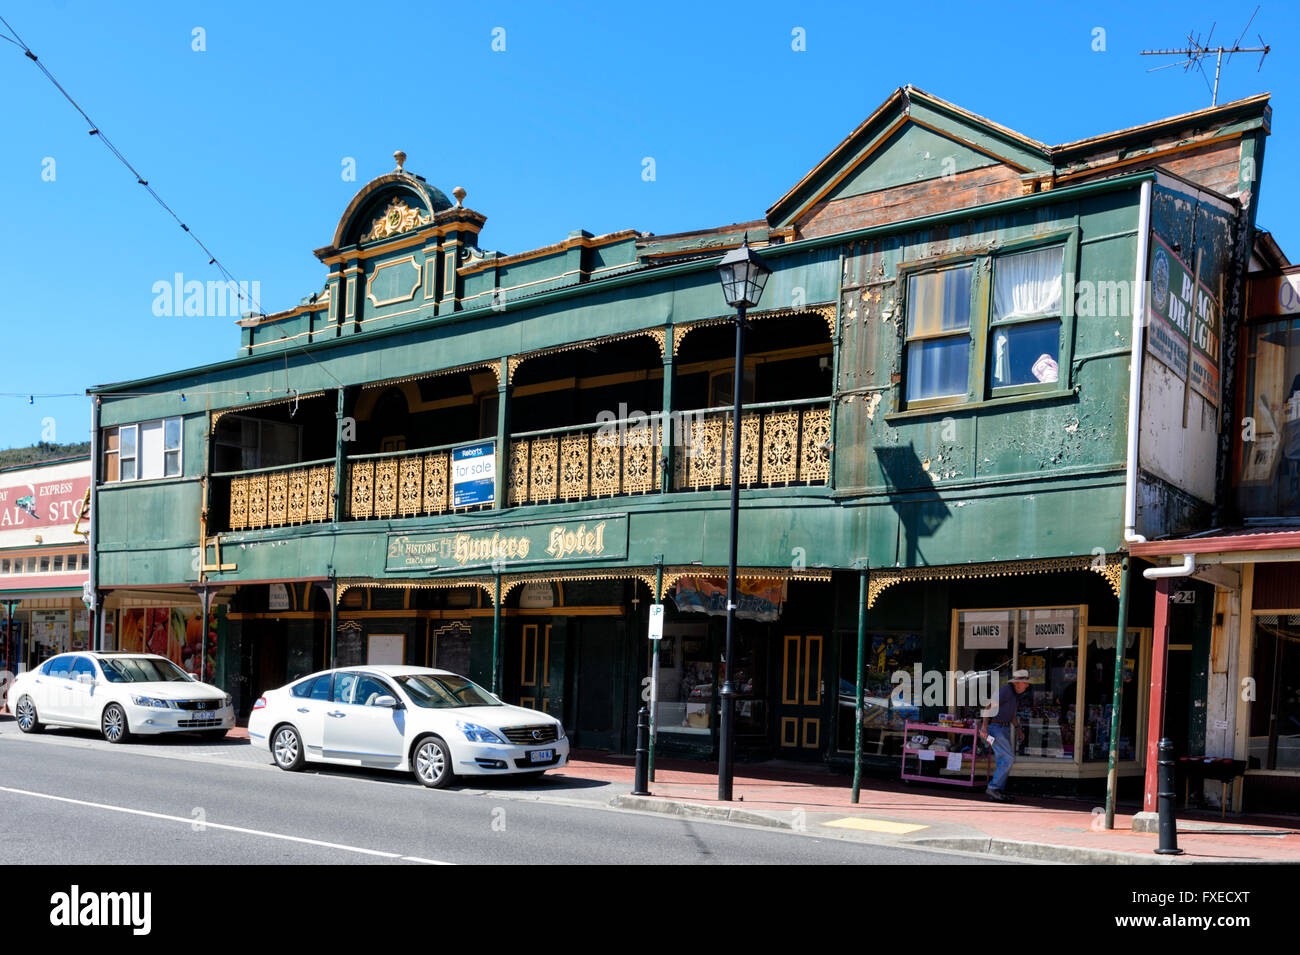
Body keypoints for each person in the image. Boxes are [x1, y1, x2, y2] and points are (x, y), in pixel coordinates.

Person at [980, 669, 1031, 803]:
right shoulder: (1006, 691)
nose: (1027, 685)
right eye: (1025, 683)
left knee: (1003, 760)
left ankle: (997, 790)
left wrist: (1018, 728)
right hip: (996, 728)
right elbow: (988, 707)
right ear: (1017, 683)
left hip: (1003, 728)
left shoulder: (1013, 694)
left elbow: (1011, 714)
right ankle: (993, 787)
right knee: (1008, 759)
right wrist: (984, 727)